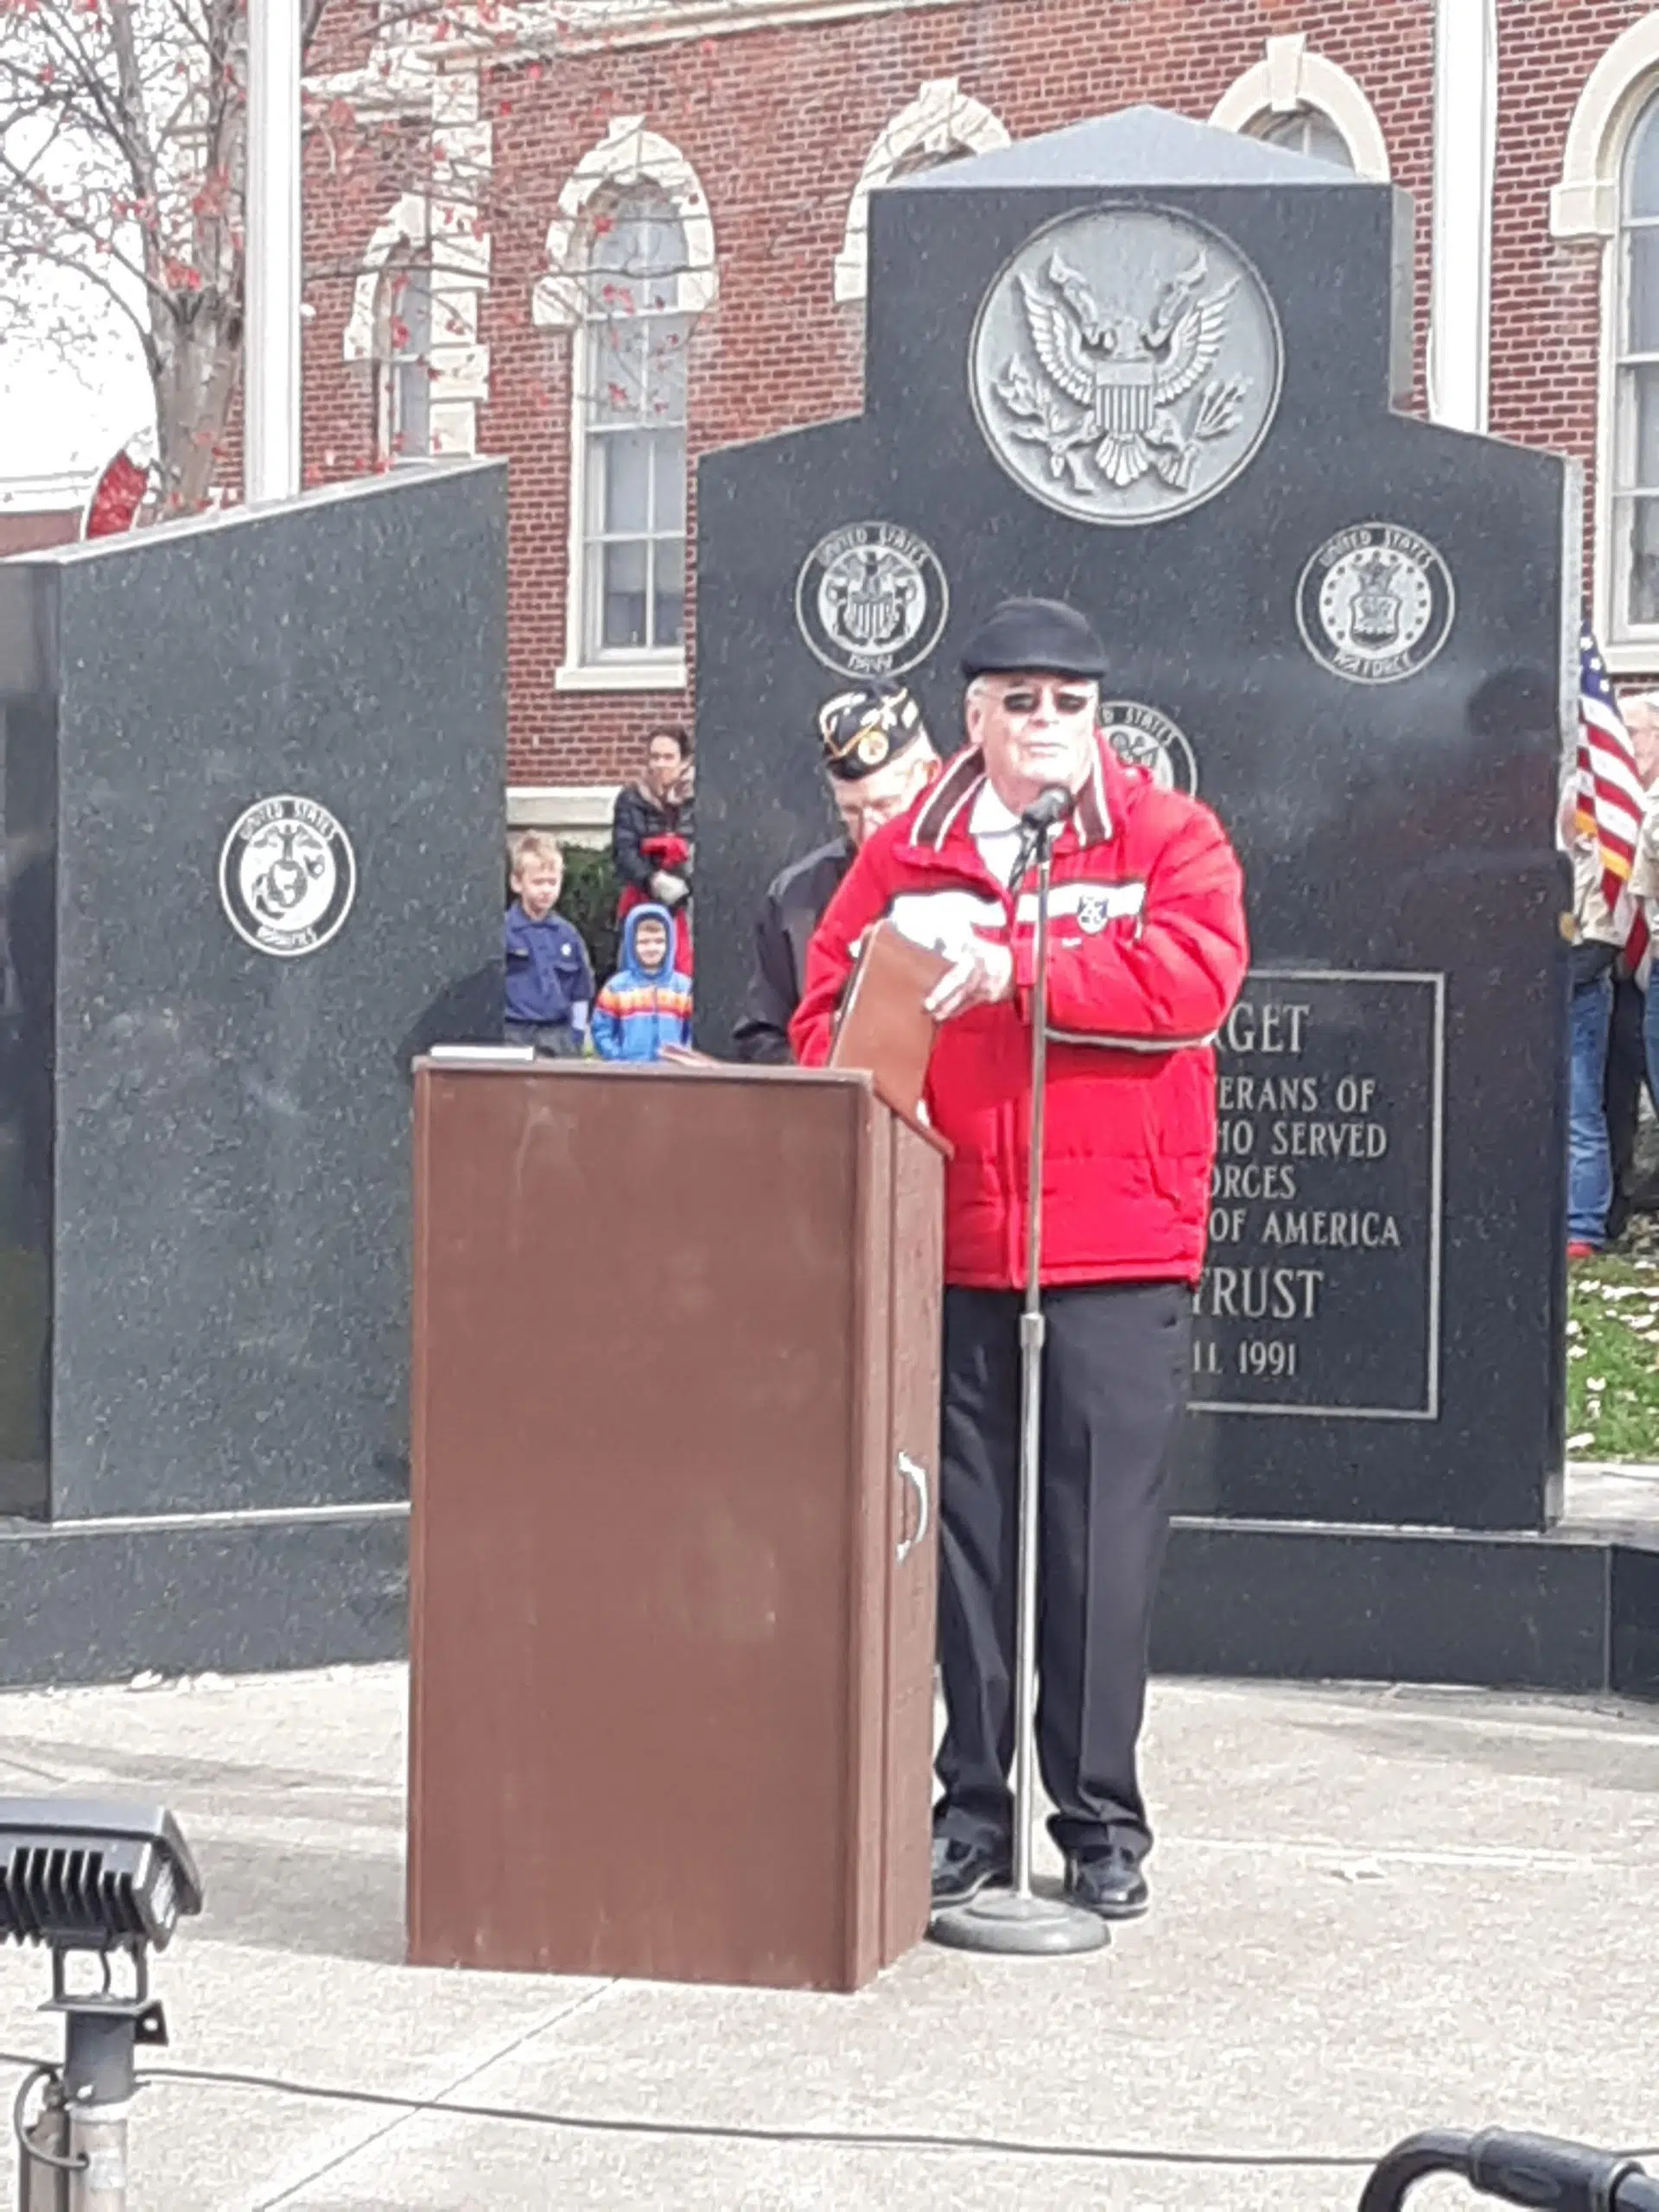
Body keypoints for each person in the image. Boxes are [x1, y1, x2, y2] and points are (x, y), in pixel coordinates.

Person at [791, 597, 1249, 1923]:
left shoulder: (1169, 835)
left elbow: (1196, 977)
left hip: (1115, 1248)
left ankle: (1099, 1821)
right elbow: (826, 1005)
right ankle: (971, 1815)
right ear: (974, 718)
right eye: (1022, 701)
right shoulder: (905, 858)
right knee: (967, 1551)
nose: (1048, 725)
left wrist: (1020, 967)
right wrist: (874, 1053)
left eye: (1071, 703)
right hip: (959, 1240)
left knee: (1101, 1552)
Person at [733, 683, 939, 1063]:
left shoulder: (977, 873)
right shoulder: (797, 896)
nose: (870, 831)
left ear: (929, 775)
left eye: (885, 806)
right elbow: (762, 1032)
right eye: (852, 812)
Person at [503, 832, 594, 1058]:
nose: (546, 890)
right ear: (517, 882)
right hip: (513, 1033)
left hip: (558, 1036)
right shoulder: (503, 931)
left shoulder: (568, 935)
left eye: (552, 882)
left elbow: (580, 990)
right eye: (537, 882)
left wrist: (577, 1033)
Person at [613, 726, 695, 977]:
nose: (660, 764)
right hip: (643, 898)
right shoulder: (631, 798)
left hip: (688, 904)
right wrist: (653, 880)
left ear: (684, 761)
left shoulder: (697, 799)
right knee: (635, 973)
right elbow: (623, 851)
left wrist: (685, 880)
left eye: (668, 757)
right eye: (655, 757)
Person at [590, 904, 694, 1063]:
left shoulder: (683, 988)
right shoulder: (616, 988)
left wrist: (685, 1059)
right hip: (629, 1076)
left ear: (670, 944)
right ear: (632, 944)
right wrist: (618, 1059)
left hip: (673, 1076)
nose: (652, 948)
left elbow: (693, 1032)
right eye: (644, 942)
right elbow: (602, 1031)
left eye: (659, 942)